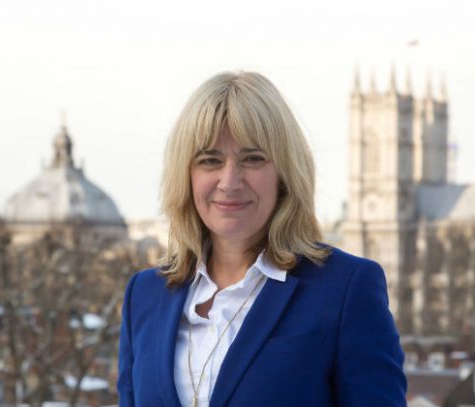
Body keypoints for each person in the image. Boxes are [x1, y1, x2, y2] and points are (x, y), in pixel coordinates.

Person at [118, 71, 407, 407]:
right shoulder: (145, 295)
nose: (230, 181)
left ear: (285, 172)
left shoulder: (345, 289)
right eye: (209, 160)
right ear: (186, 175)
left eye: (253, 159)